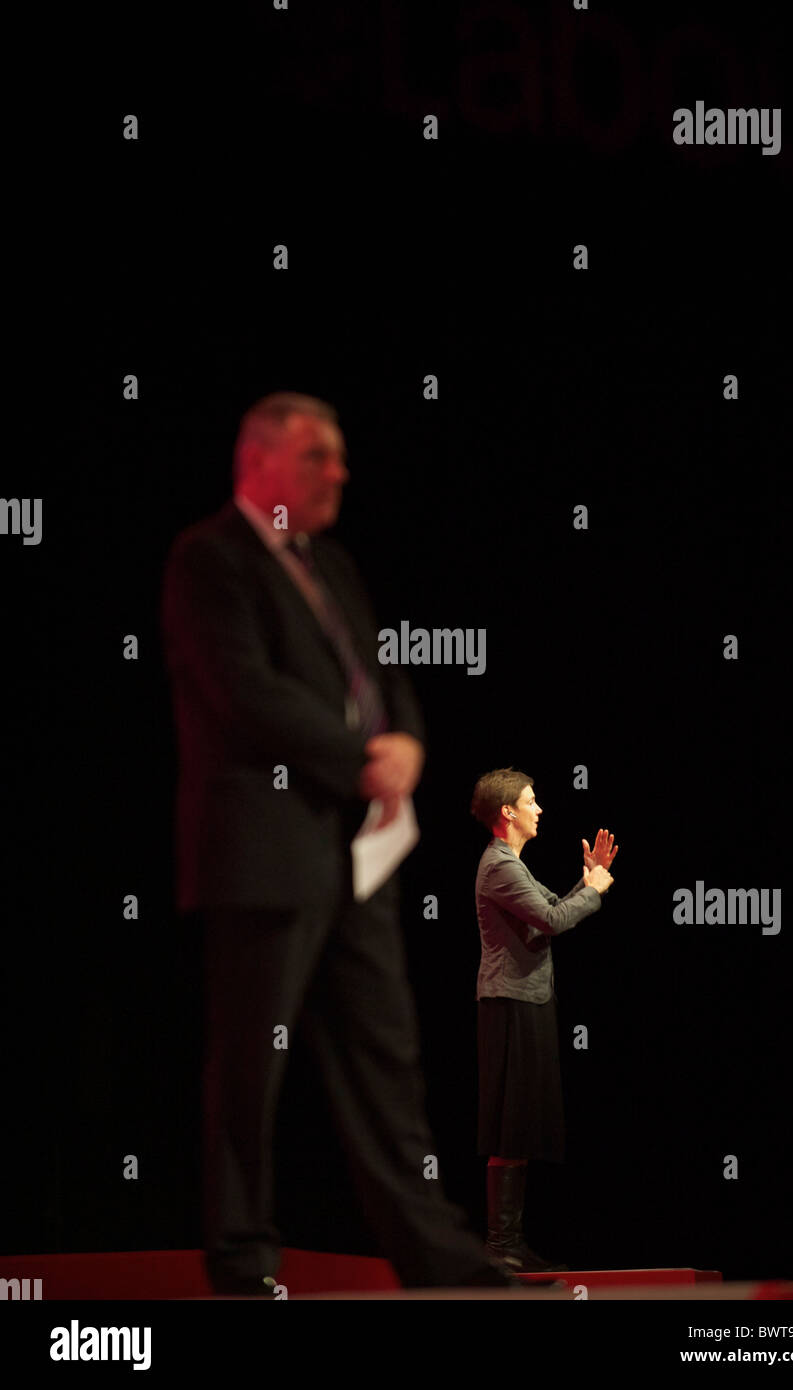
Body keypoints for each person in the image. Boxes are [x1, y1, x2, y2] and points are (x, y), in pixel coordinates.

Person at [161, 391, 513, 1293]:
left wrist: (406, 742)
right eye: (320, 455)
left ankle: (437, 1261)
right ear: (261, 463)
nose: (339, 474)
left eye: (339, 457)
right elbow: (245, 692)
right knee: (250, 1065)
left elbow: (380, 673)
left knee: (383, 1057)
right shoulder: (210, 558)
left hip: (355, 856)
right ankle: (242, 1261)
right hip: (264, 856)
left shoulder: (334, 566)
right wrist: (361, 757)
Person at [470, 767, 617, 1272]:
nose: (540, 809)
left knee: (523, 1122)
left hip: (525, 999)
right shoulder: (500, 865)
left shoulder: (513, 863)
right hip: (510, 1001)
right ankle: (499, 1243)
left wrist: (585, 878)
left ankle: (507, 1241)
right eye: (532, 801)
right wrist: (594, 889)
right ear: (508, 812)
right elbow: (555, 920)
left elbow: (551, 908)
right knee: (511, 1123)